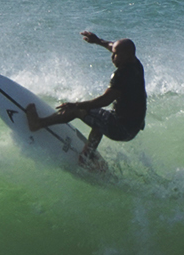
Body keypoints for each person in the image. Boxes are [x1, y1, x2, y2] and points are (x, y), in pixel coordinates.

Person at [24, 31, 146, 166]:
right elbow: (113, 46)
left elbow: (105, 100)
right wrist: (98, 40)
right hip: (132, 129)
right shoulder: (136, 65)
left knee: (79, 111)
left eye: (116, 55)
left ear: (126, 55)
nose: (112, 56)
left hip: (120, 129)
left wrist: (76, 105)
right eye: (113, 52)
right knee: (100, 117)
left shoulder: (122, 75)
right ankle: (87, 155)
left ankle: (38, 123)